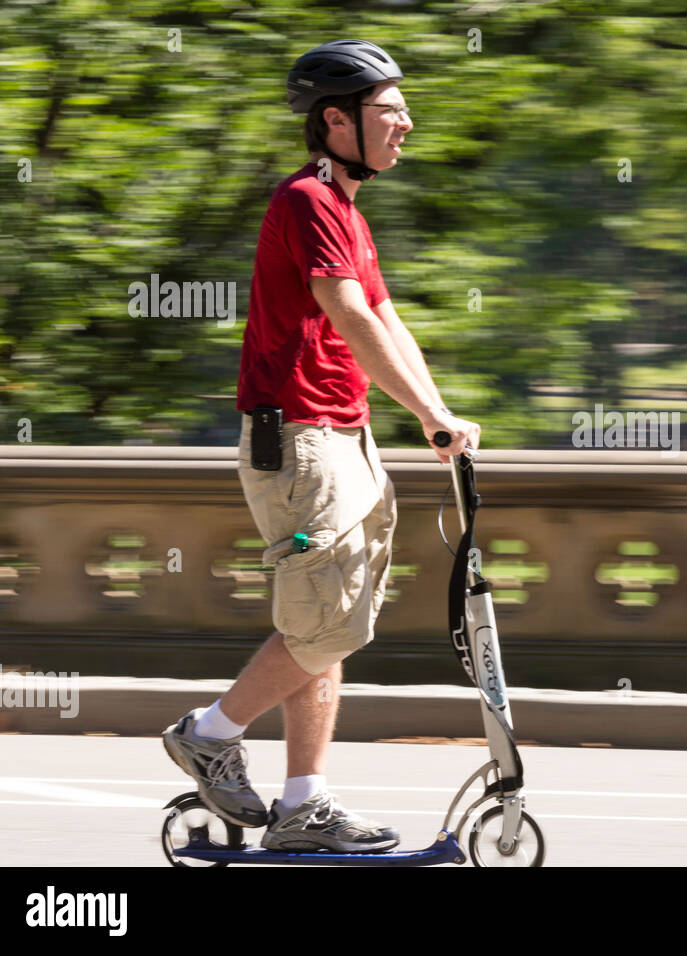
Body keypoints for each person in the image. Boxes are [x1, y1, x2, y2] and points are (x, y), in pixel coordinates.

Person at [163, 39, 481, 853]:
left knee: (331, 620)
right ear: (336, 121)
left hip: (348, 433)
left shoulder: (346, 210)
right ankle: (211, 731)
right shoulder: (305, 200)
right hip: (301, 437)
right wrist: (429, 416)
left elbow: (388, 320)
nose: (407, 123)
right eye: (390, 110)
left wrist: (434, 414)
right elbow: (352, 316)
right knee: (324, 624)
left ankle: (304, 803)